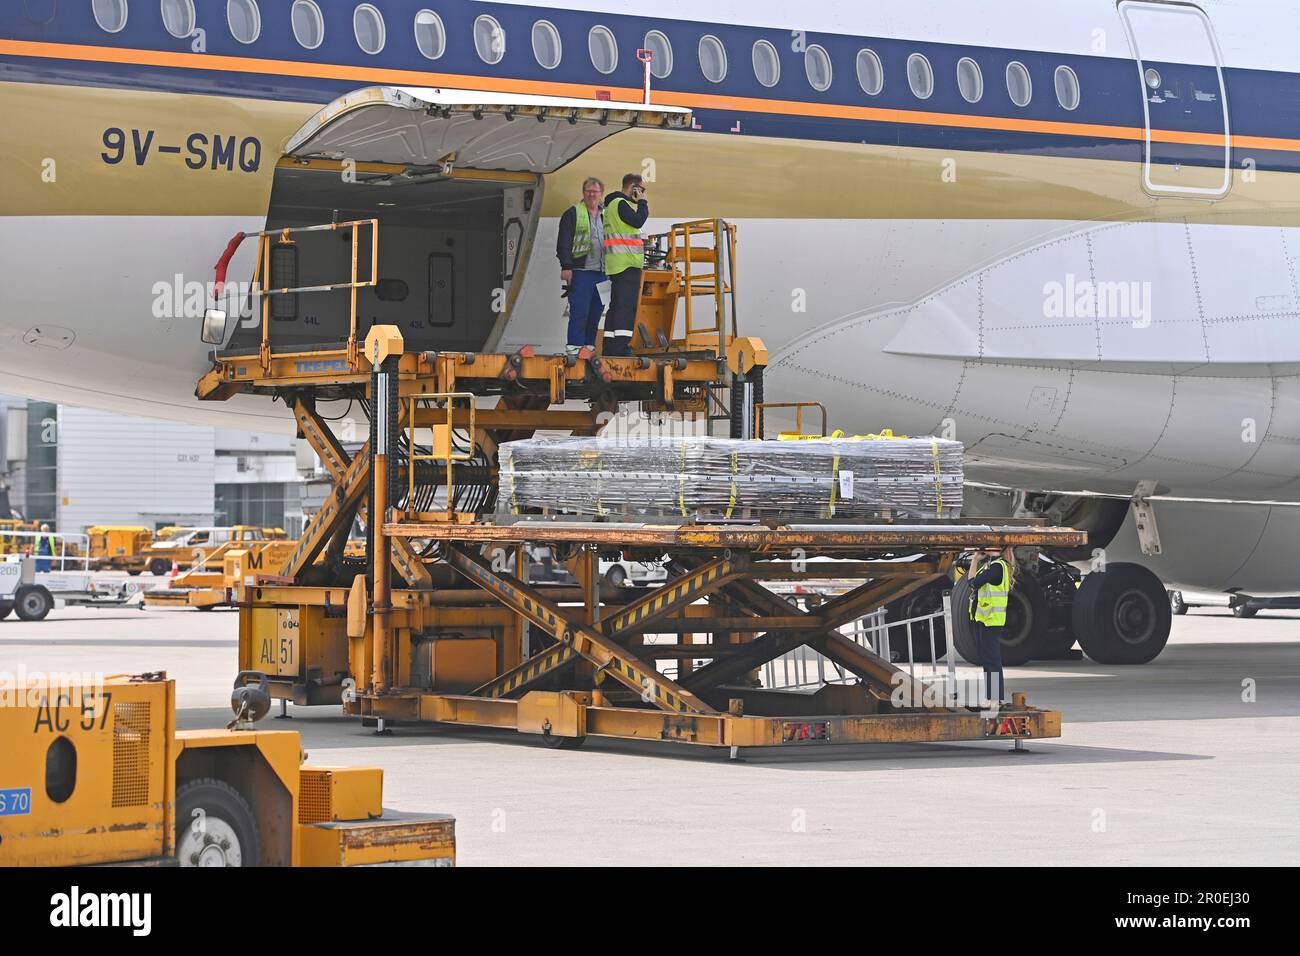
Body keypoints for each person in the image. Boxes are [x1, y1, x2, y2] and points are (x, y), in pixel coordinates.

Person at [556, 177, 608, 357]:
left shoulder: (607, 215)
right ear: (583, 192)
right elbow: (563, 241)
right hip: (581, 272)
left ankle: (589, 348)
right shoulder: (573, 213)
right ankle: (574, 348)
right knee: (579, 311)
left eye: (595, 191)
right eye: (588, 190)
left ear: (601, 194)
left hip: (604, 274)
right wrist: (566, 266)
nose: (591, 194)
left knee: (596, 313)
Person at [601, 173, 650, 357]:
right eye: (642, 190)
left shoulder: (612, 206)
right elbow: (638, 220)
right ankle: (621, 348)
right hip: (626, 264)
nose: (643, 194)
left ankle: (610, 347)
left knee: (616, 307)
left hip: (616, 264)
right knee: (625, 308)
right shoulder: (621, 204)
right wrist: (643, 203)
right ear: (633, 187)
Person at [968, 547, 1015, 706]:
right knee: (987, 660)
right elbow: (973, 583)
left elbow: (973, 583)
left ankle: (995, 698)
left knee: (992, 660)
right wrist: (976, 561)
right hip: (986, 619)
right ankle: (992, 697)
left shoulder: (997, 568)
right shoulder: (992, 566)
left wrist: (974, 560)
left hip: (992, 620)